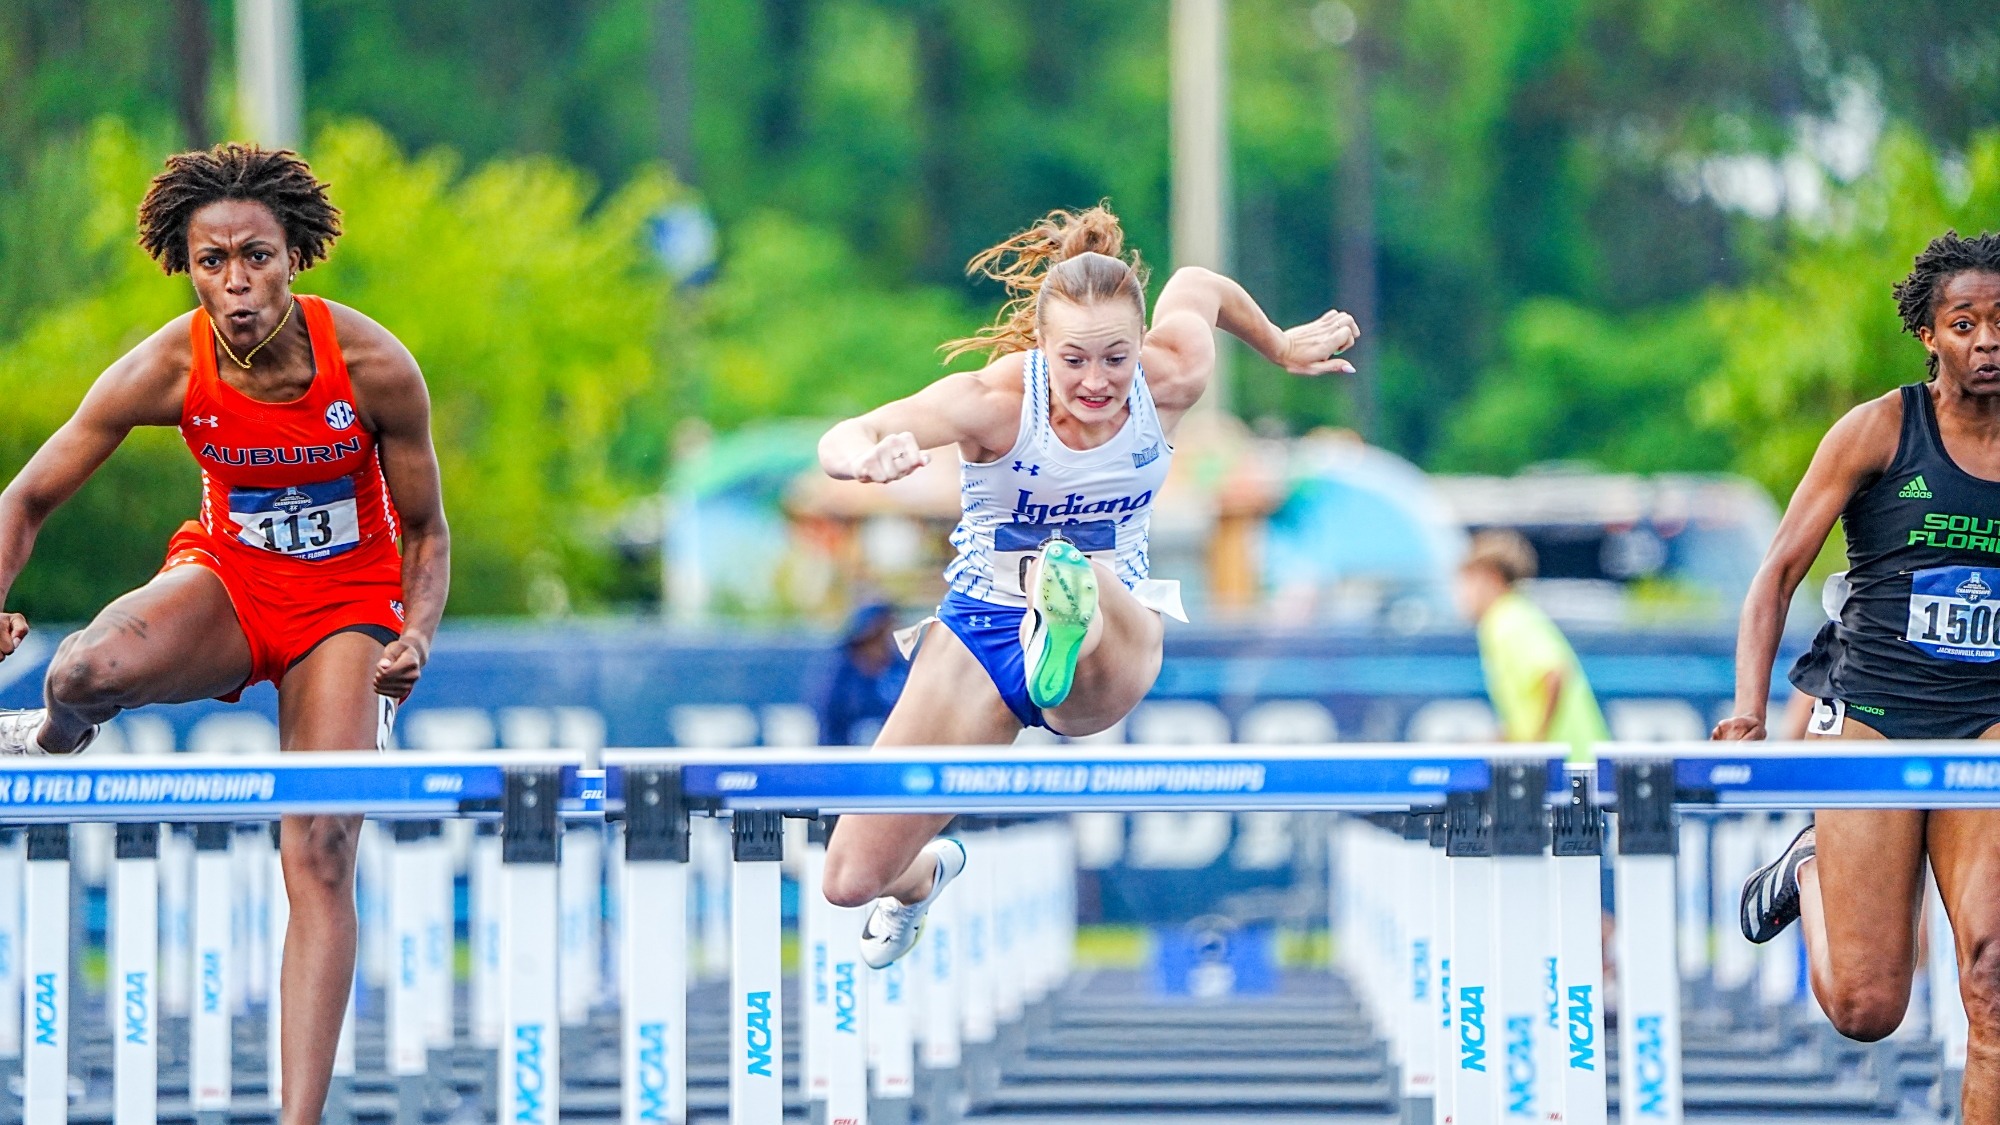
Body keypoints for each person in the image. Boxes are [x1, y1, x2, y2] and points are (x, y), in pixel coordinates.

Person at [0, 143, 449, 1124]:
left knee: (320, 847)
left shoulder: (371, 366)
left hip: (347, 605)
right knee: (81, 670)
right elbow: (27, 497)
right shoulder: (168, 366)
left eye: (256, 257)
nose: (237, 284)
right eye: (213, 263)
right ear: (186, 265)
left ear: (295, 255)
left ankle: (298, 1120)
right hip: (233, 584)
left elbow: (425, 532)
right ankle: (47, 740)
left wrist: (414, 632)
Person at [814, 203, 1359, 966]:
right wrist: (865, 458)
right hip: (979, 631)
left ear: (1144, 346)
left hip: (1113, 626)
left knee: (1075, 574)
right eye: (1074, 360)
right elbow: (846, 434)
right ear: (1042, 348)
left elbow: (1200, 285)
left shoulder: (1173, 375)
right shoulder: (998, 402)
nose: (1097, 383)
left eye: (1116, 358)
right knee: (847, 877)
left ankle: (1059, 616)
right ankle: (929, 874)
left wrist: (1278, 346)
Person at [1718, 230, 2000, 1117]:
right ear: (1929, 333)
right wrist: (1747, 709)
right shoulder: (1881, 428)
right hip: (1876, 714)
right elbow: (1776, 573)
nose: (1988, 341)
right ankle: (1811, 869)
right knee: (1868, 1008)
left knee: (1992, 974)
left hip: (1989, 720)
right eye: (1966, 323)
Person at [1455, 529, 1608, 762]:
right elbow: (1527, 719)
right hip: (1577, 763)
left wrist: (1537, 746)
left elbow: (1555, 673)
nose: (1461, 596)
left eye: (1468, 582)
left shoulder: (1506, 620)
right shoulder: (1514, 616)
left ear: (1491, 577)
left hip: (1575, 768)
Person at [813, 600, 909, 746]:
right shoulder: (840, 675)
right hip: (848, 756)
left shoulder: (901, 670)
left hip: (894, 758)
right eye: (876, 635)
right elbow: (830, 724)